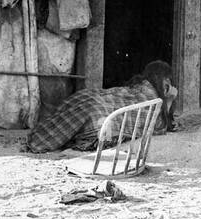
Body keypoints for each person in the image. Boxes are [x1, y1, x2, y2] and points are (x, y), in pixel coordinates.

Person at [27, 61, 176, 153]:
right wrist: (170, 98)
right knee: (90, 108)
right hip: (99, 109)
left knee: (87, 107)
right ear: (163, 80)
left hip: (91, 99)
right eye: (167, 80)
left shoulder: (143, 91)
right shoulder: (150, 95)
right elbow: (158, 127)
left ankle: (40, 138)